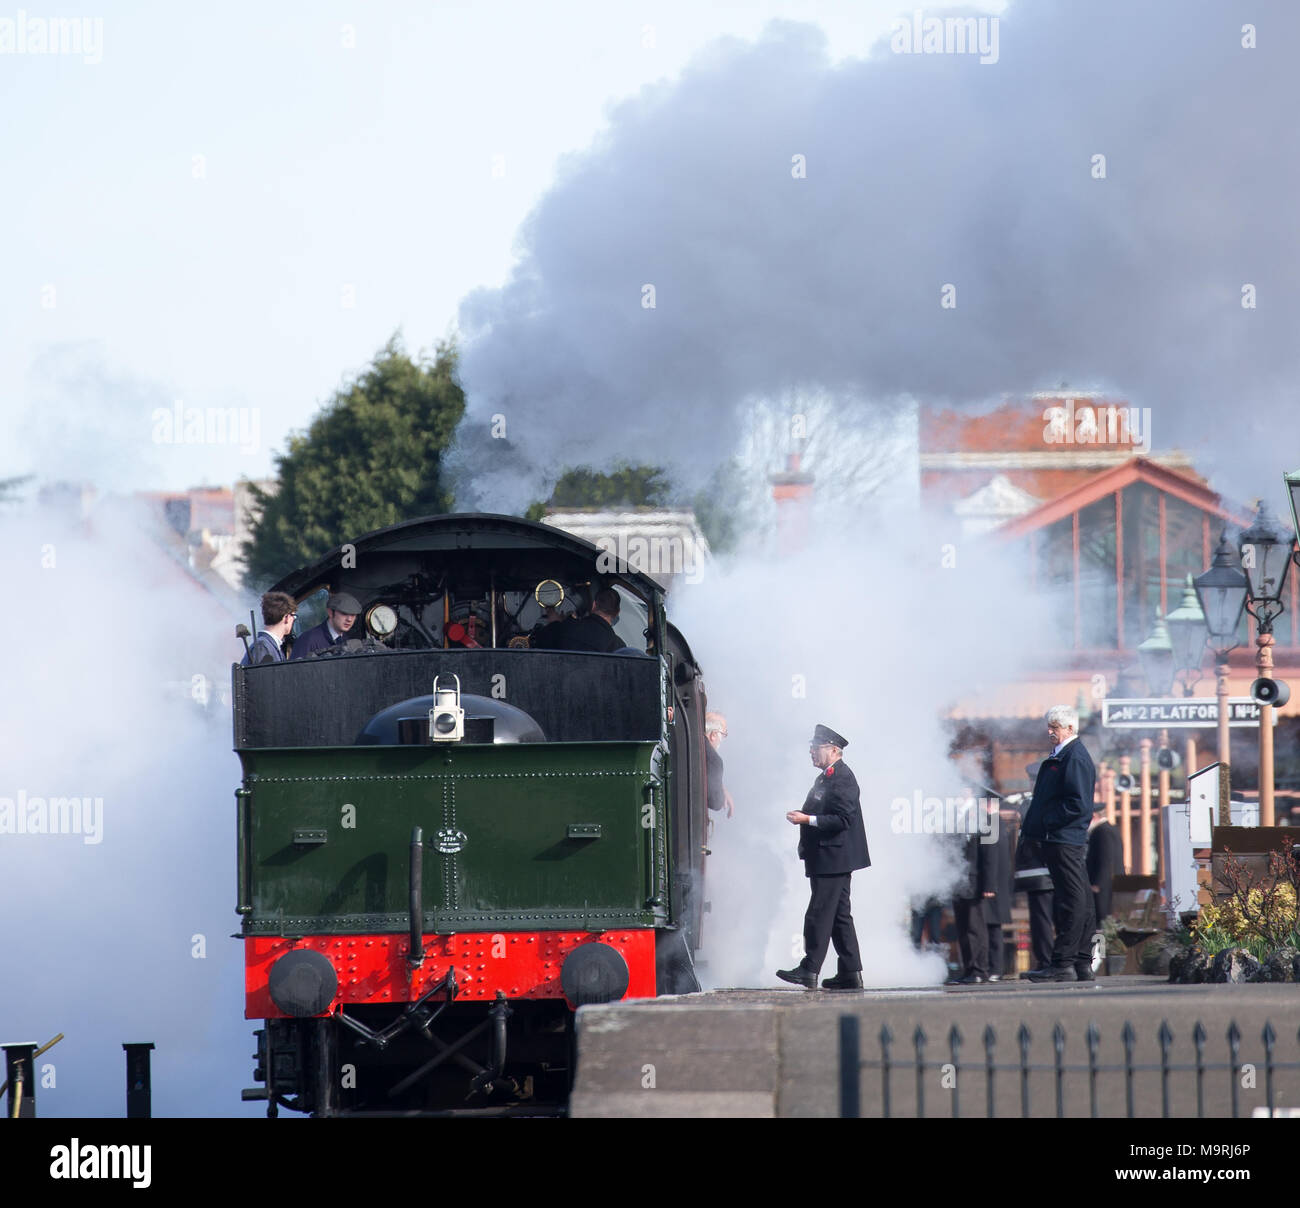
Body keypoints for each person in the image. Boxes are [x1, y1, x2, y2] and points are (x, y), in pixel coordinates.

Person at [776, 724, 871, 991]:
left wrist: (807, 819)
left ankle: (809, 968)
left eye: (816, 748)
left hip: (834, 856)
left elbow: (842, 819)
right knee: (840, 916)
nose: (811, 752)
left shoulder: (842, 777)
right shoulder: (827, 777)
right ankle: (850, 973)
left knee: (819, 912)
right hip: (829, 856)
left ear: (833, 750)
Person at [1019, 705, 1098, 982]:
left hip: (1063, 838)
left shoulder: (1073, 757)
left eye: (1055, 726)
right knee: (1081, 899)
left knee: (1072, 900)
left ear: (1070, 728)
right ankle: (1081, 962)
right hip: (1062, 838)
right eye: (1049, 725)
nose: (1050, 731)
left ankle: (1063, 963)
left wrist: (1047, 822)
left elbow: (1078, 804)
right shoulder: (1064, 756)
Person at [537, 587, 623, 653]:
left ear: (594, 605)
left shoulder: (566, 628)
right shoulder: (618, 646)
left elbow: (540, 644)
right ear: (617, 612)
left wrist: (554, 624)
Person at [291, 591, 362, 659]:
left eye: (353, 615)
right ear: (330, 612)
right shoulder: (308, 639)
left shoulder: (348, 641)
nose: (349, 619)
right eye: (344, 613)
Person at [1086, 804, 1123, 925]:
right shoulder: (1111, 829)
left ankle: (1101, 944)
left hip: (1104, 885)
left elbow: (1105, 859)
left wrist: (1097, 883)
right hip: (1110, 883)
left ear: (1093, 816)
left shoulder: (1101, 831)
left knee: (1102, 921)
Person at [241, 591, 296, 666]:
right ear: (287, 617)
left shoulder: (267, 645)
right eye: (294, 616)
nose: (293, 620)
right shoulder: (263, 646)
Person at [704, 711, 735, 818]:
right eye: (723, 734)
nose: (722, 740)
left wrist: (720, 787)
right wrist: (721, 793)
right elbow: (715, 802)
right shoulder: (714, 761)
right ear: (713, 735)